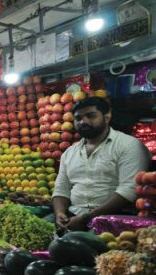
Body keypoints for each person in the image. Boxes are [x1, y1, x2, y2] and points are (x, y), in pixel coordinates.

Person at [51, 97, 150, 233]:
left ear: (107, 117)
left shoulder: (129, 146)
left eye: (90, 116)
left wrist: (87, 218)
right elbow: (61, 189)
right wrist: (60, 213)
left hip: (113, 219)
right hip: (73, 216)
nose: (83, 121)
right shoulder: (70, 152)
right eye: (78, 118)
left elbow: (128, 190)